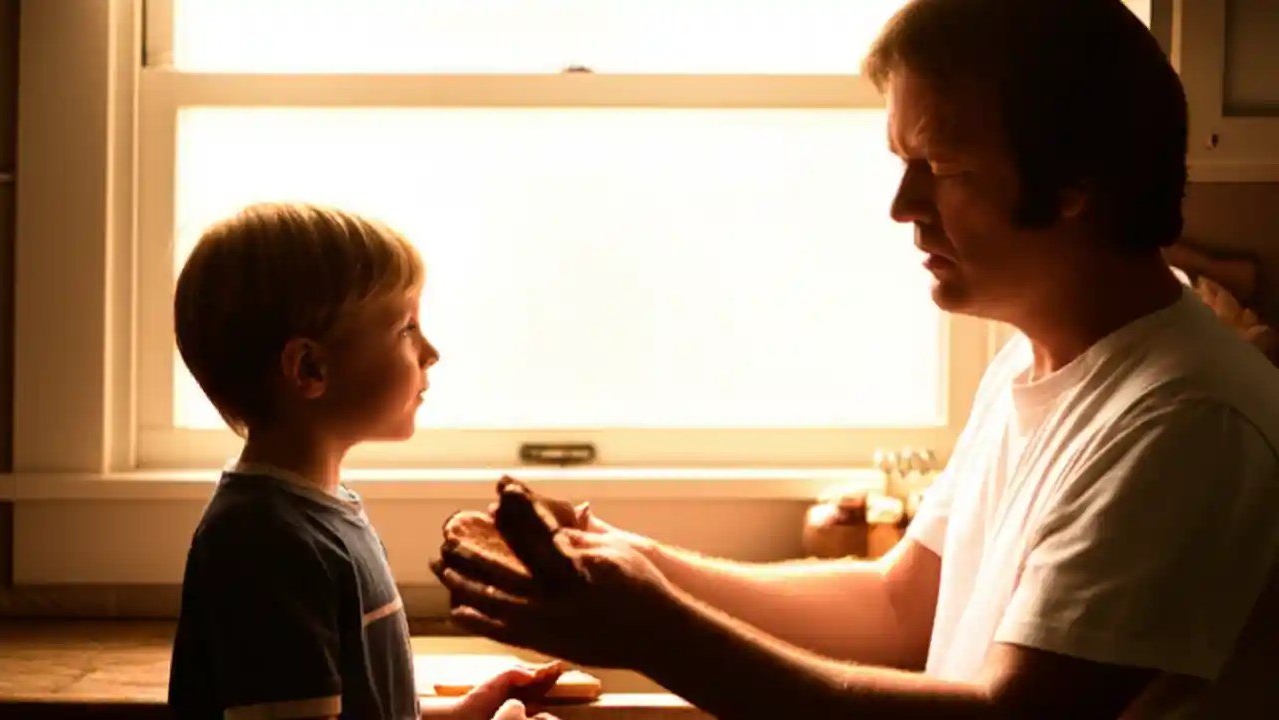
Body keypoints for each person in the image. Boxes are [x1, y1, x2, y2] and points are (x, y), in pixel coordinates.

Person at [434, 1, 1279, 717]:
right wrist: (629, 562)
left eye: (941, 167)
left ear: (1074, 184)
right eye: (903, 163)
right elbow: (897, 606)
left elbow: (1009, 717)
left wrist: (650, 628)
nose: (903, 207)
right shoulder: (1033, 364)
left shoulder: (1186, 418)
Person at [167, 203, 559, 720]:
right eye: (407, 327)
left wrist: (464, 715)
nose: (431, 351)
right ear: (309, 368)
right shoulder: (266, 542)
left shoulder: (321, 513)